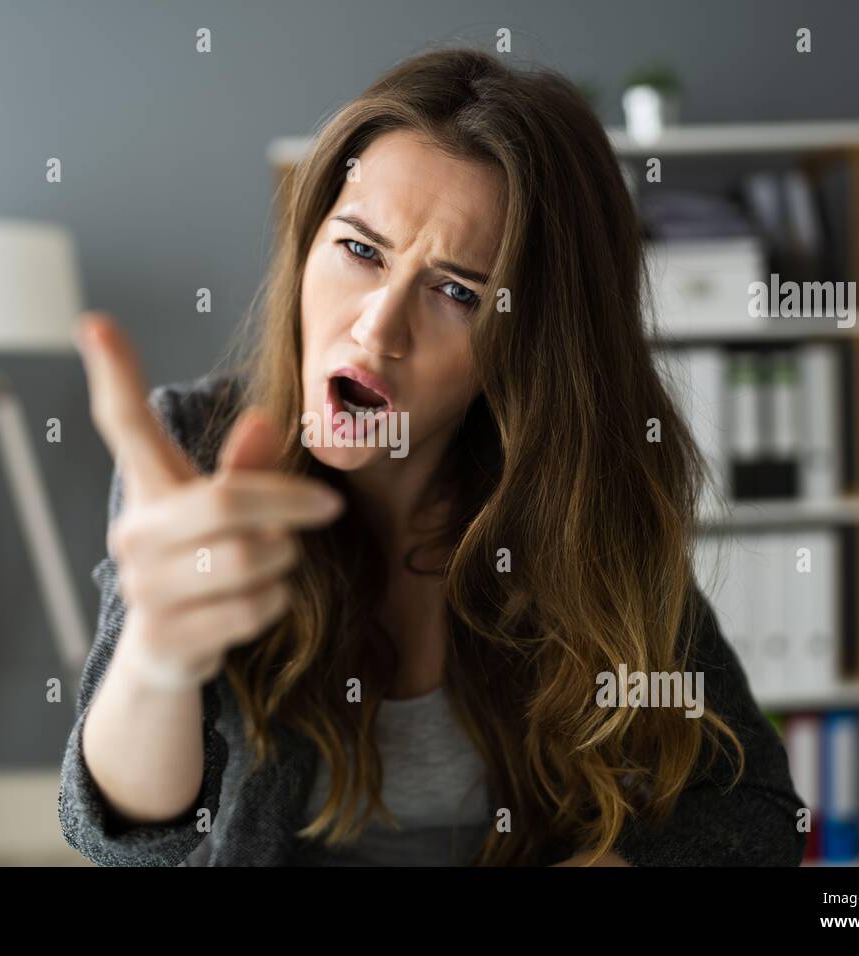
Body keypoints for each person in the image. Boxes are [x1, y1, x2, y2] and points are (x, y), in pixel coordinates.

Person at [59, 46, 806, 867]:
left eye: (457, 291)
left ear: (533, 344)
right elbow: (121, 841)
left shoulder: (578, 500)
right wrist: (159, 656)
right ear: (307, 244)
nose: (378, 328)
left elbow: (756, 811)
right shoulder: (195, 446)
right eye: (360, 250)